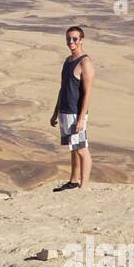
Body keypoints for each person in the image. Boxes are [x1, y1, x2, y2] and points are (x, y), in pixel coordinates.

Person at [50, 26, 94, 191]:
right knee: (73, 148)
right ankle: (74, 180)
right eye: (68, 38)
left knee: (82, 149)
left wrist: (82, 118)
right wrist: (55, 112)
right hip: (65, 111)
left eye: (75, 39)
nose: (71, 42)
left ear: (81, 40)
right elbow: (63, 88)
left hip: (76, 113)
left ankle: (84, 186)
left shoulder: (85, 62)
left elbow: (88, 93)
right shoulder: (68, 61)